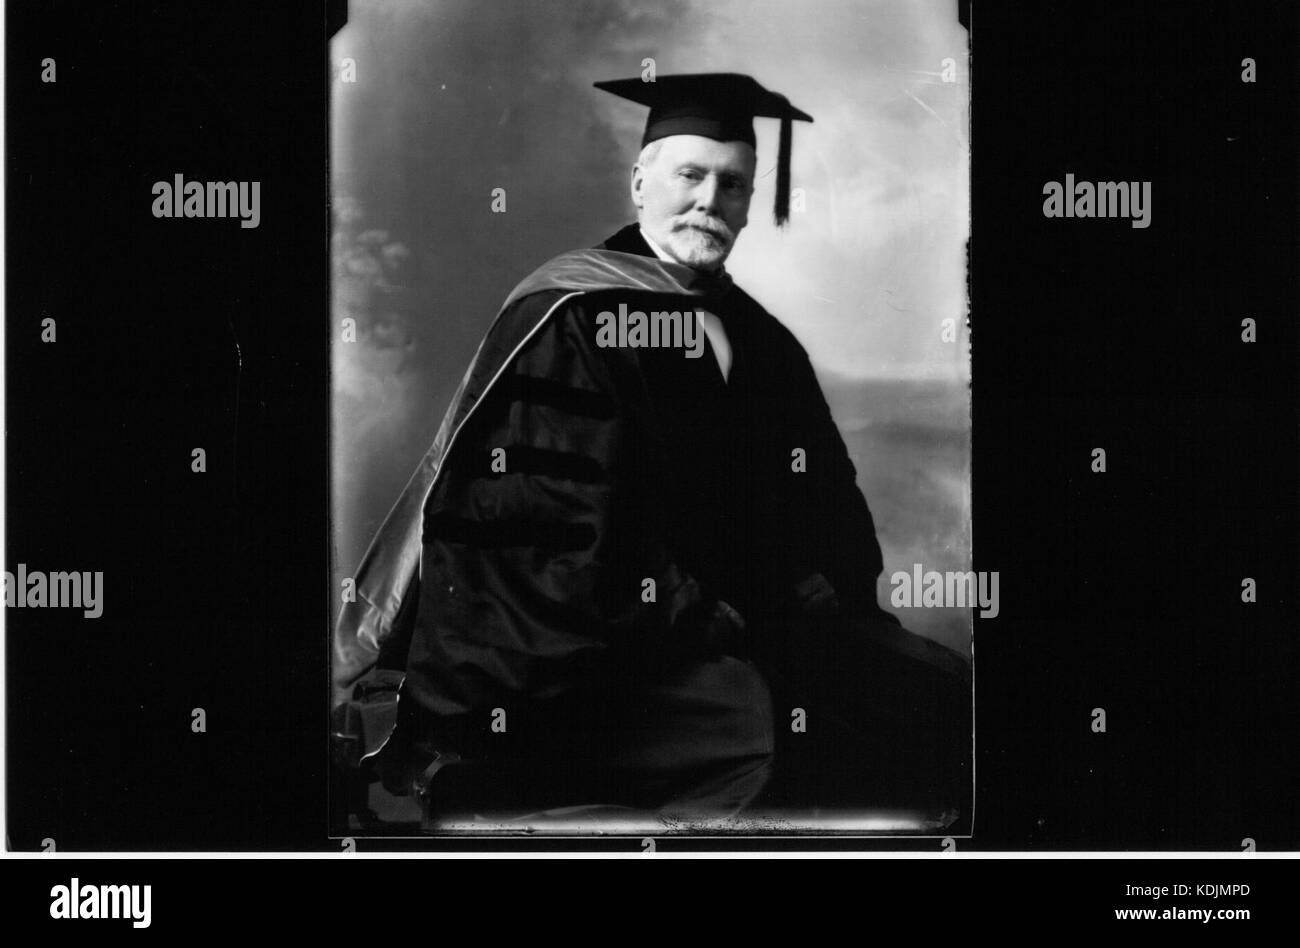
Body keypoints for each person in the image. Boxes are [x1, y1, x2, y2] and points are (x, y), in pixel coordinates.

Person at [332, 72, 970, 828]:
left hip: (749, 632)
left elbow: (827, 505)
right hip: (598, 660)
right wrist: (717, 617)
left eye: (733, 184)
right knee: (767, 734)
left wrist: (822, 581)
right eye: (690, 176)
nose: (711, 201)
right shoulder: (572, 317)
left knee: (940, 692)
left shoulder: (762, 340)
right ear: (641, 181)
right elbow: (553, 549)